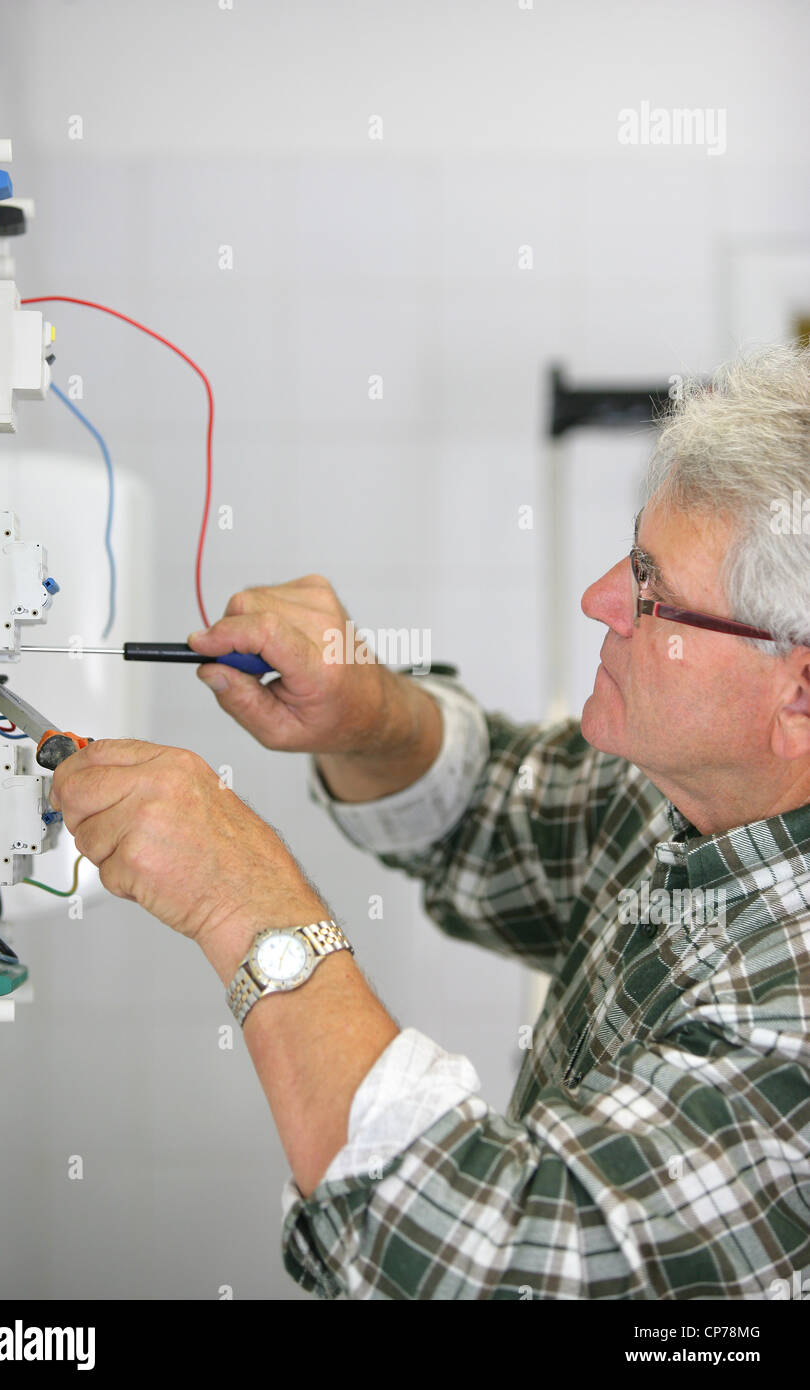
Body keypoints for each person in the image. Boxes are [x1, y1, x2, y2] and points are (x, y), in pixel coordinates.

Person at [50, 342, 810, 1299]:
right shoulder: (694, 789)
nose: (600, 601)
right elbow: (500, 805)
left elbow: (479, 1260)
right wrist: (370, 714)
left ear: (799, 695)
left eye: (652, 591)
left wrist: (248, 905)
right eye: (629, 554)